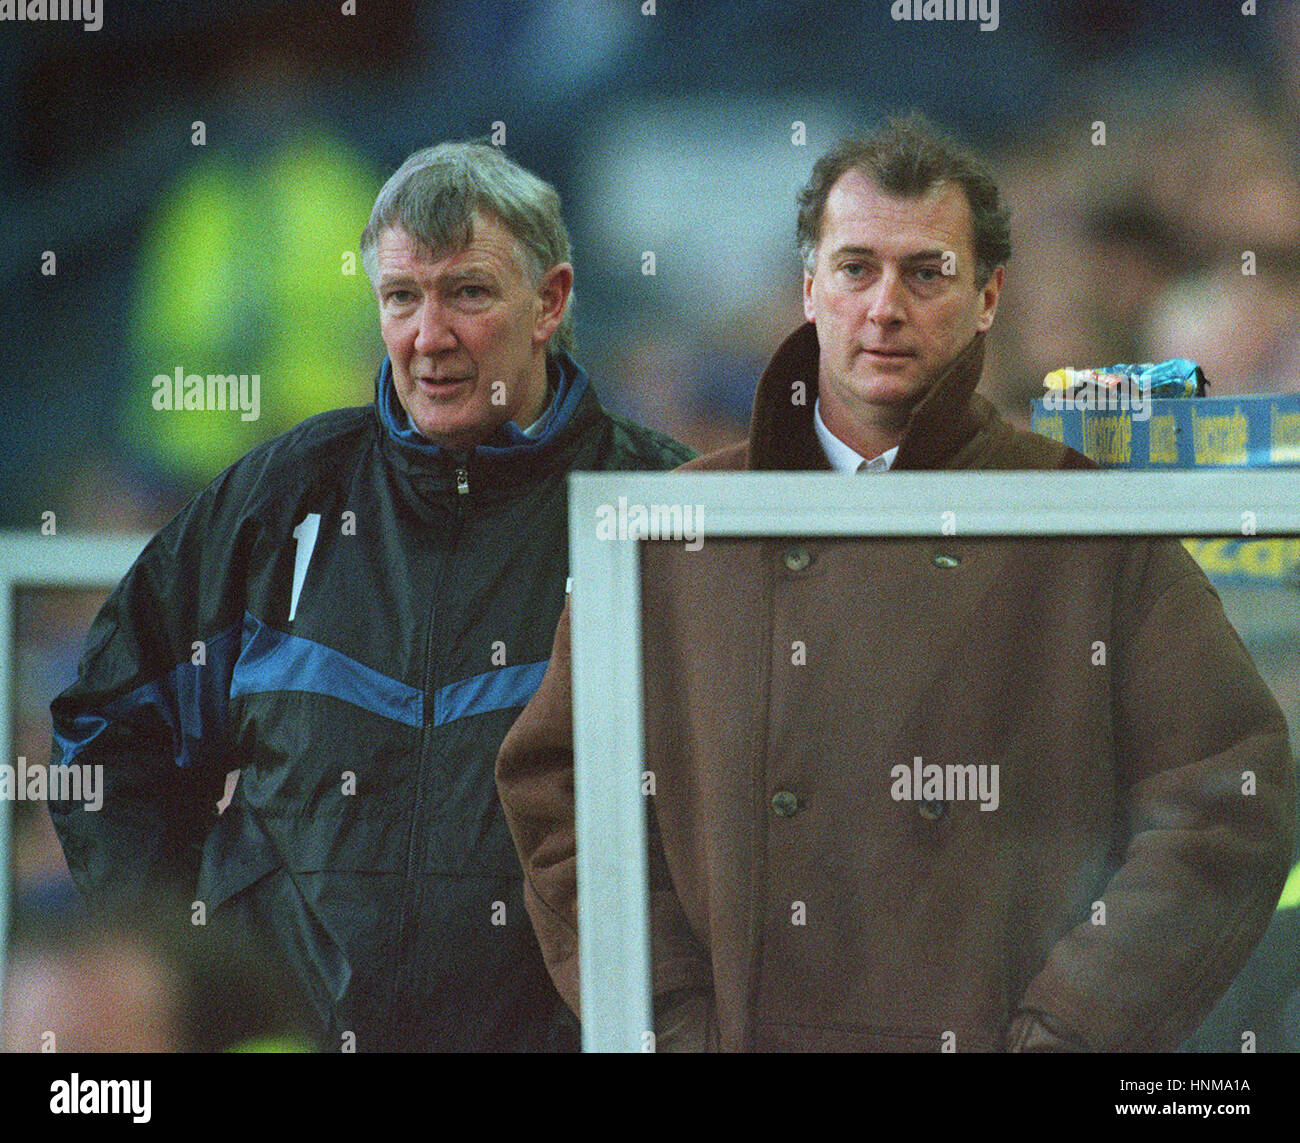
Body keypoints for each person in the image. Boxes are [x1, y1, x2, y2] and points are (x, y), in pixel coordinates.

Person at [495, 113, 1296, 1052]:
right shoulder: (674, 532)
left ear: (991, 295)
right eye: (856, 268)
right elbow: (561, 798)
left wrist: (1069, 1031)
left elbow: (1227, 790)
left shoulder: (1084, 523)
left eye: (928, 273)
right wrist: (673, 1020)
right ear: (808, 289)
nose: (886, 307)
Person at [47, 141, 693, 1052]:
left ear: (549, 301)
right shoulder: (280, 501)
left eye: (467, 292)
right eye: (401, 297)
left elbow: (759, 799)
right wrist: (193, 978)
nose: (429, 336)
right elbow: (106, 735)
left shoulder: (664, 507)